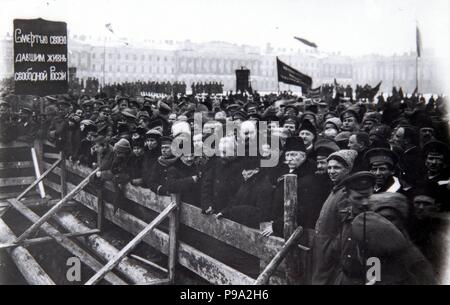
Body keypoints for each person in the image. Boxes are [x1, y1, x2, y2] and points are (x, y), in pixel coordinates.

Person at [311, 149, 357, 285]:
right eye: (329, 167)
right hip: (322, 252)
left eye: (337, 167)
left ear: (348, 169)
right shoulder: (336, 189)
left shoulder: (345, 193)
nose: (331, 171)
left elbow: (347, 229)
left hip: (331, 257)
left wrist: (332, 249)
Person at [201, 136, 243, 214]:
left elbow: (238, 195)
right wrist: (207, 204)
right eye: (223, 152)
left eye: (227, 153)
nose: (223, 156)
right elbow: (207, 185)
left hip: (229, 213)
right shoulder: (216, 163)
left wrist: (226, 211)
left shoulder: (240, 168)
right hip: (213, 209)